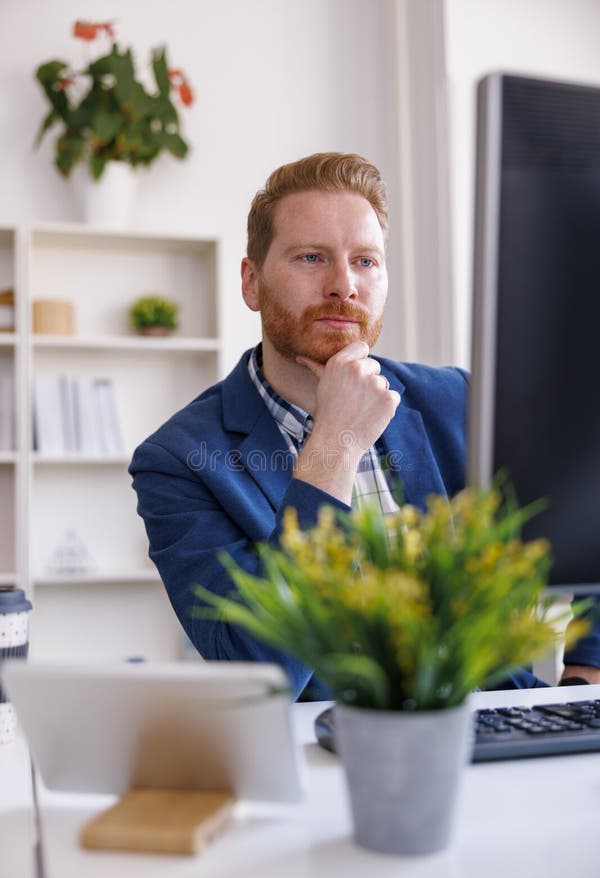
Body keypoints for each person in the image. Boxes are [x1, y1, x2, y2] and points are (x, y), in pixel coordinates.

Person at [129, 152, 599, 697]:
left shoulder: (458, 400)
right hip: (331, 755)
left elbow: (589, 515)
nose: (343, 285)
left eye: (366, 261)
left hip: (489, 728)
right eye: (311, 257)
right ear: (252, 283)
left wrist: (588, 671)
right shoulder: (180, 460)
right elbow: (258, 672)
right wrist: (336, 442)